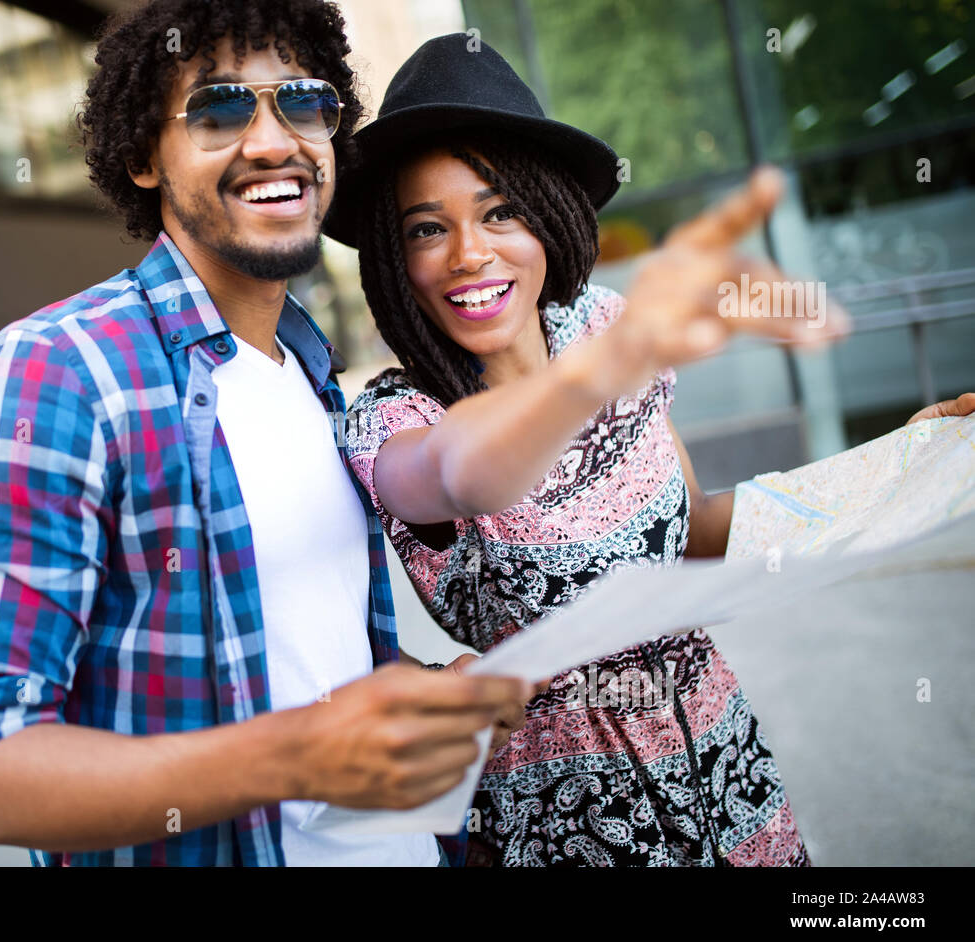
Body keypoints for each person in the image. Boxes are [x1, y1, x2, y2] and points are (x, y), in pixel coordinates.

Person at [0, 0, 535, 867]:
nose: (274, 140)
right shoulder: (58, 371)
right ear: (142, 157)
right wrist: (299, 755)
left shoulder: (311, 377)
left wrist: (420, 699)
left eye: (303, 103)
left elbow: (300, 660)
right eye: (219, 108)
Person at [325, 33, 970, 867]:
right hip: (574, 819)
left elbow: (690, 535)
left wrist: (910, 462)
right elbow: (460, 474)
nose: (469, 253)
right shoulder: (396, 418)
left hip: (725, 765)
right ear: (392, 256)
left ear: (547, 214)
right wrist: (598, 377)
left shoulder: (602, 325)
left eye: (500, 211)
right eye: (425, 228)